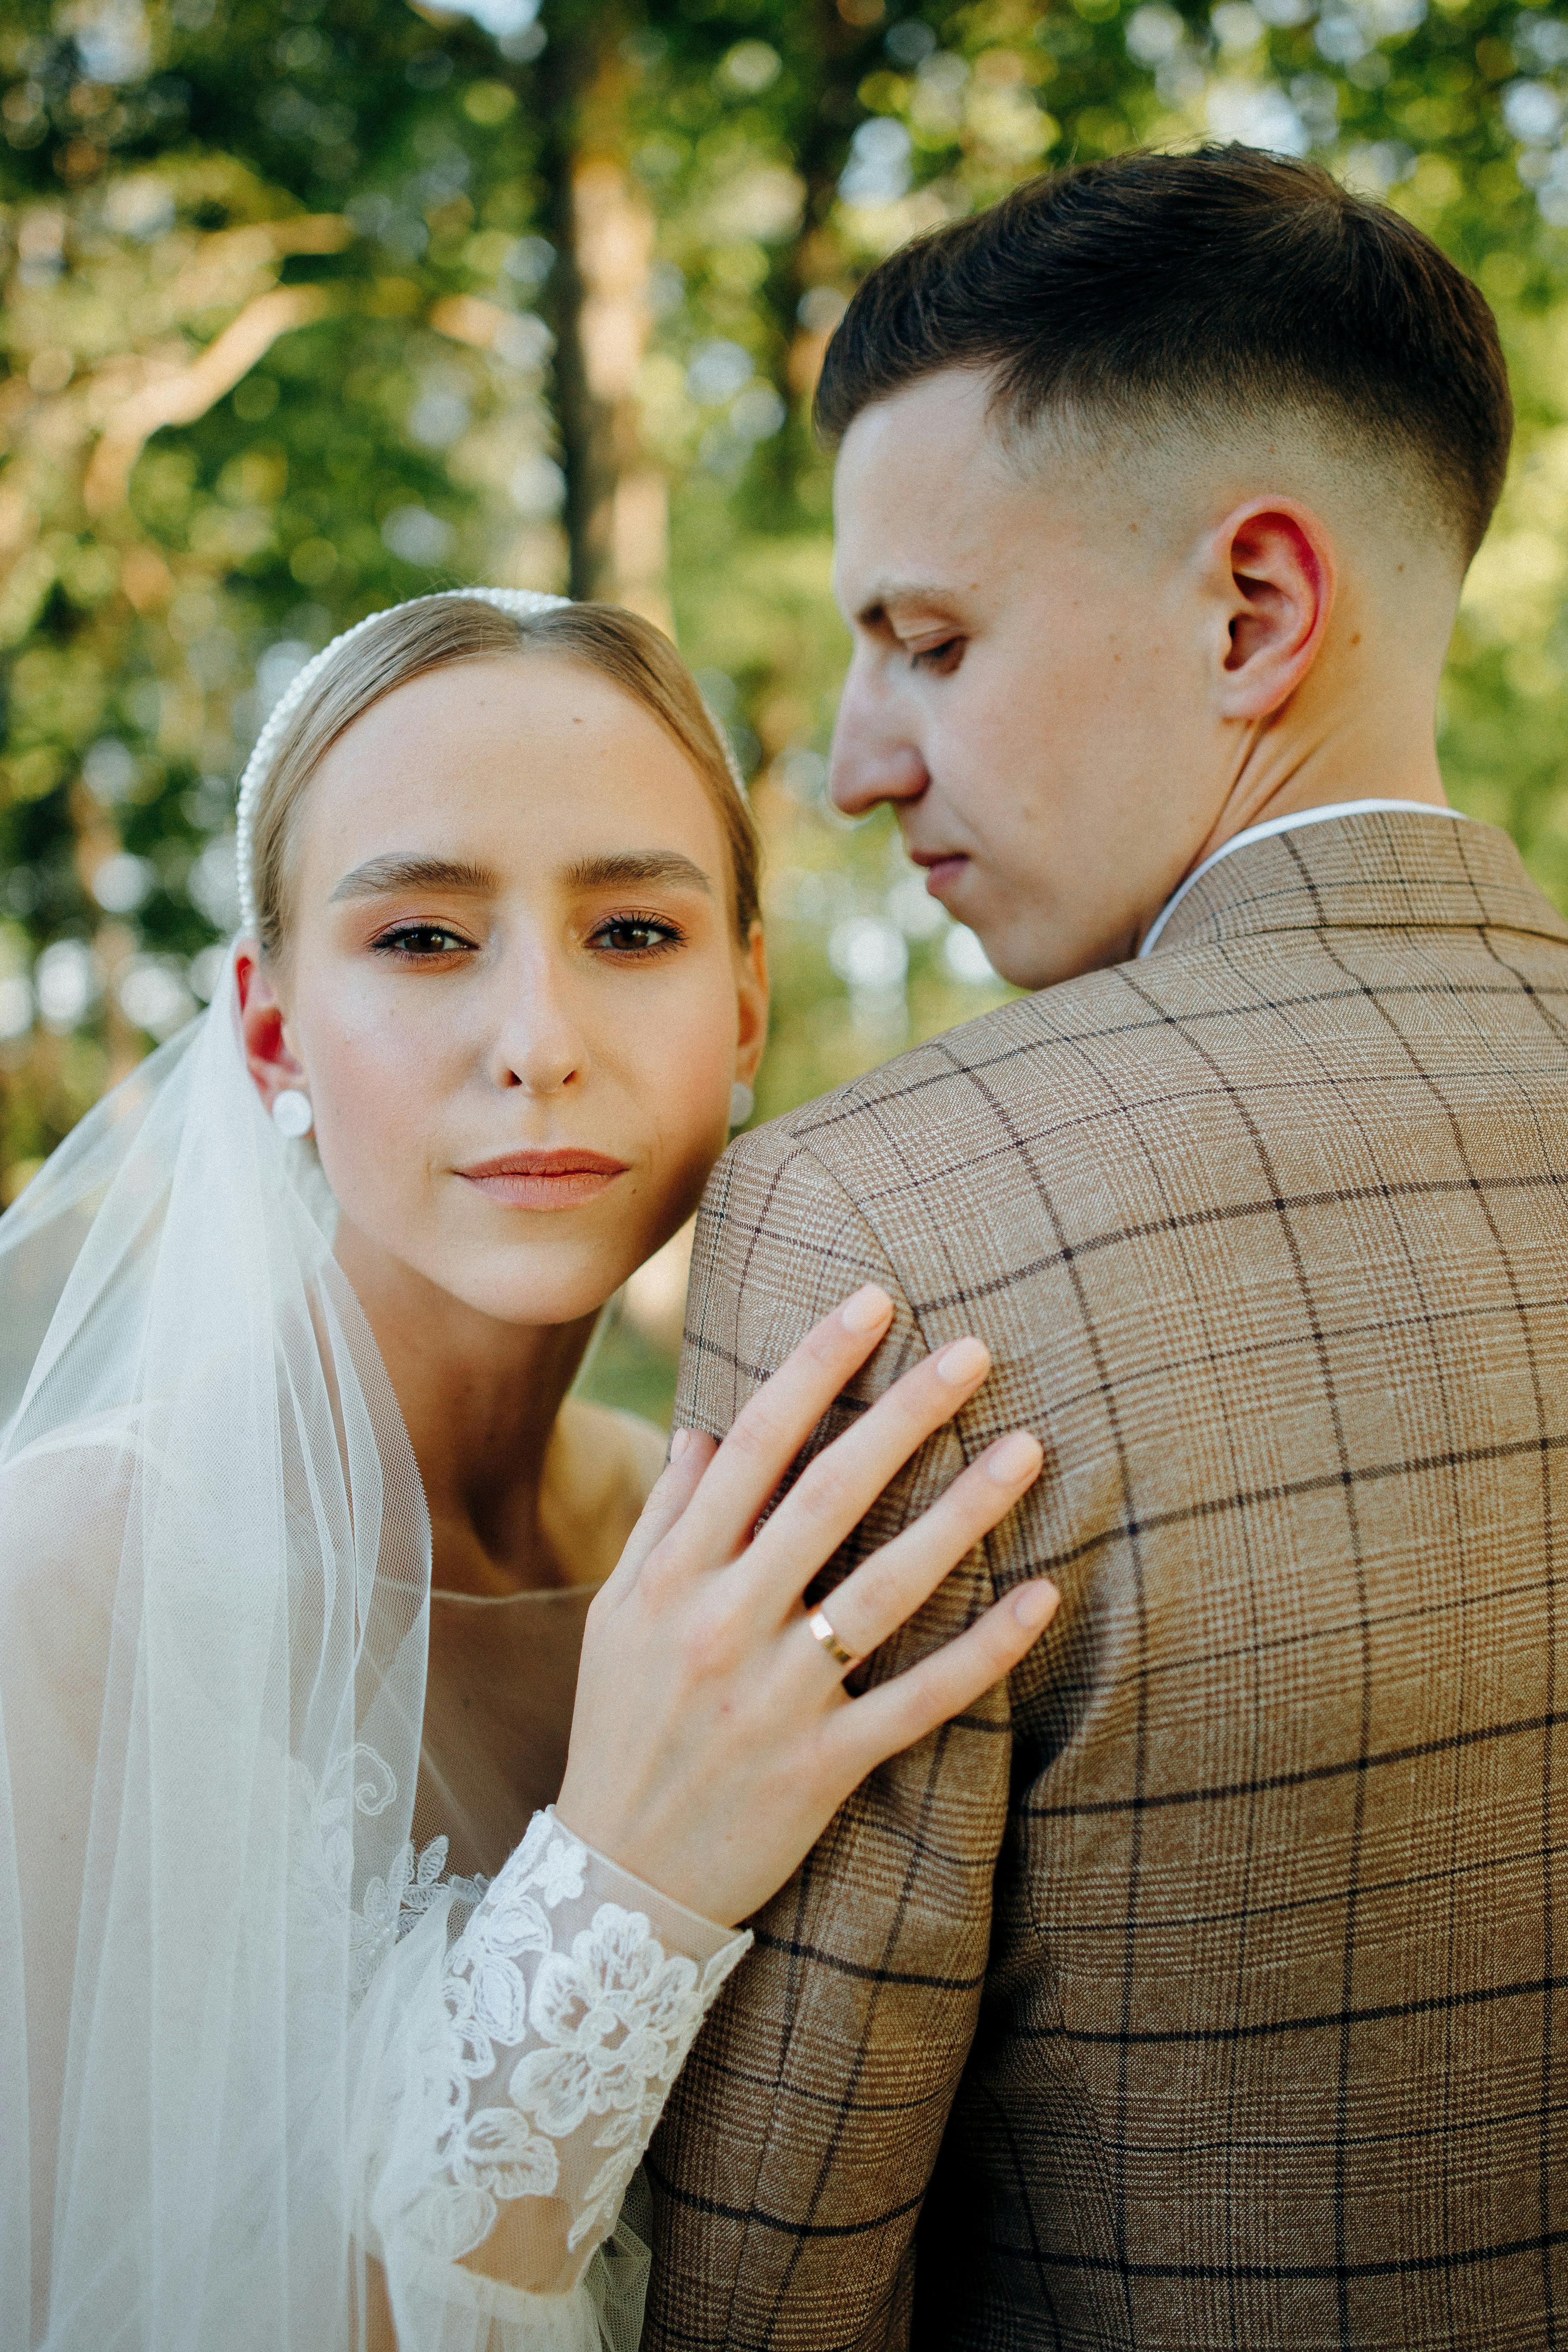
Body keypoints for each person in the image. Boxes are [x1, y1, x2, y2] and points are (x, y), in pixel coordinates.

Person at [645, 147, 1568, 2349]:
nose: (856, 766)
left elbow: (770, 2278)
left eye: (930, 644)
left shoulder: (890, 1220)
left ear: (1252, 611)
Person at [0, 587, 1059, 2352]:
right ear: (270, 1032)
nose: (540, 1040)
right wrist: (627, 1877)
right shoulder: (68, 1583)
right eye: (422, 938)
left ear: (744, 1004)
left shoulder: (707, 1539)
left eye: (633, 932)